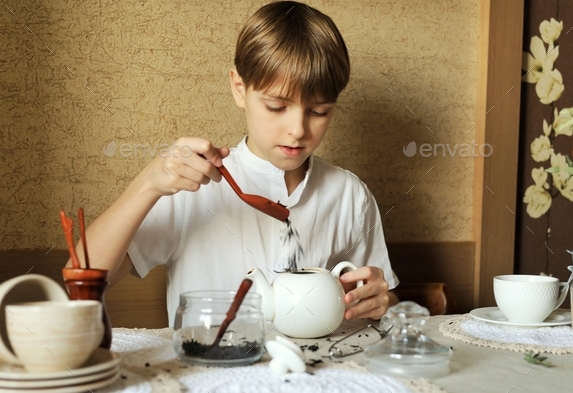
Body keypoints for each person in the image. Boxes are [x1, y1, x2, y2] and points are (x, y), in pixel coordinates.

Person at [67, 1, 399, 326]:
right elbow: (79, 278)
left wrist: (382, 303)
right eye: (276, 107)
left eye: (318, 111)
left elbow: (384, 303)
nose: (298, 130)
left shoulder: (349, 196)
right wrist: (148, 184)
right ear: (240, 88)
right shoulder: (191, 186)